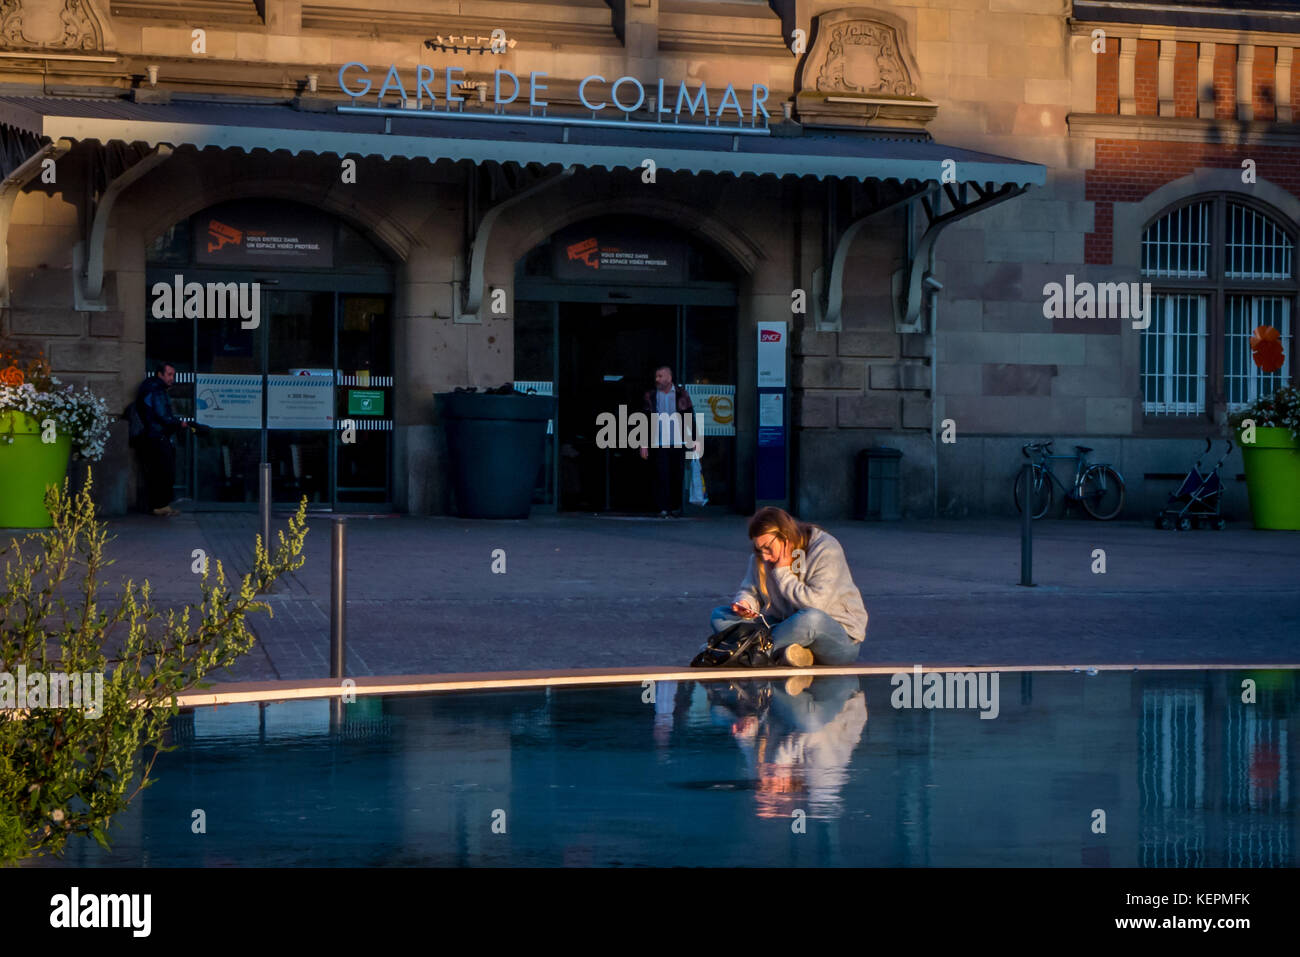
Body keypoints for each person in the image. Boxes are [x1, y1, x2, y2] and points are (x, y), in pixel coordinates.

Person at [710, 507, 868, 666]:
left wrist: (783, 573)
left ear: (785, 538)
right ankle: (787, 652)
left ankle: (745, 652)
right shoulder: (761, 557)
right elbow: (750, 590)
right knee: (719, 615)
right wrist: (745, 603)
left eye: (767, 548)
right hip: (785, 627)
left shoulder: (825, 548)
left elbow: (816, 605)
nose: (764, 555)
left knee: (812, 619)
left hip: (837, 638)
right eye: (759, 549)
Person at [130, 362, 196, 516]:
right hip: (156, 436)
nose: (172, 378)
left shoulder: (151, 387)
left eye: (173, 375)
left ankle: (159, 505)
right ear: (160, 374)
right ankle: (160, 505)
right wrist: (179, 423)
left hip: (152, 436)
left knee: (158, 472)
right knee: (163, 472)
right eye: (169, 374)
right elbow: (162, 415)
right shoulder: (156, 389)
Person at [638, 364, 695, 517]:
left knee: (677, 474)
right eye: (656, 376)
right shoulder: (651, 395)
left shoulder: (681, 393)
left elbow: (689, 415)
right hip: (659, 441)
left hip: (678, 441)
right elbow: (644, 420)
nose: (657, 379)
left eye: (660, 376)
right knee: (661, 474)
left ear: (669, 378)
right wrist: (644, 443)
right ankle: (663, 507)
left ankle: (675, 506)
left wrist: (694, 439)